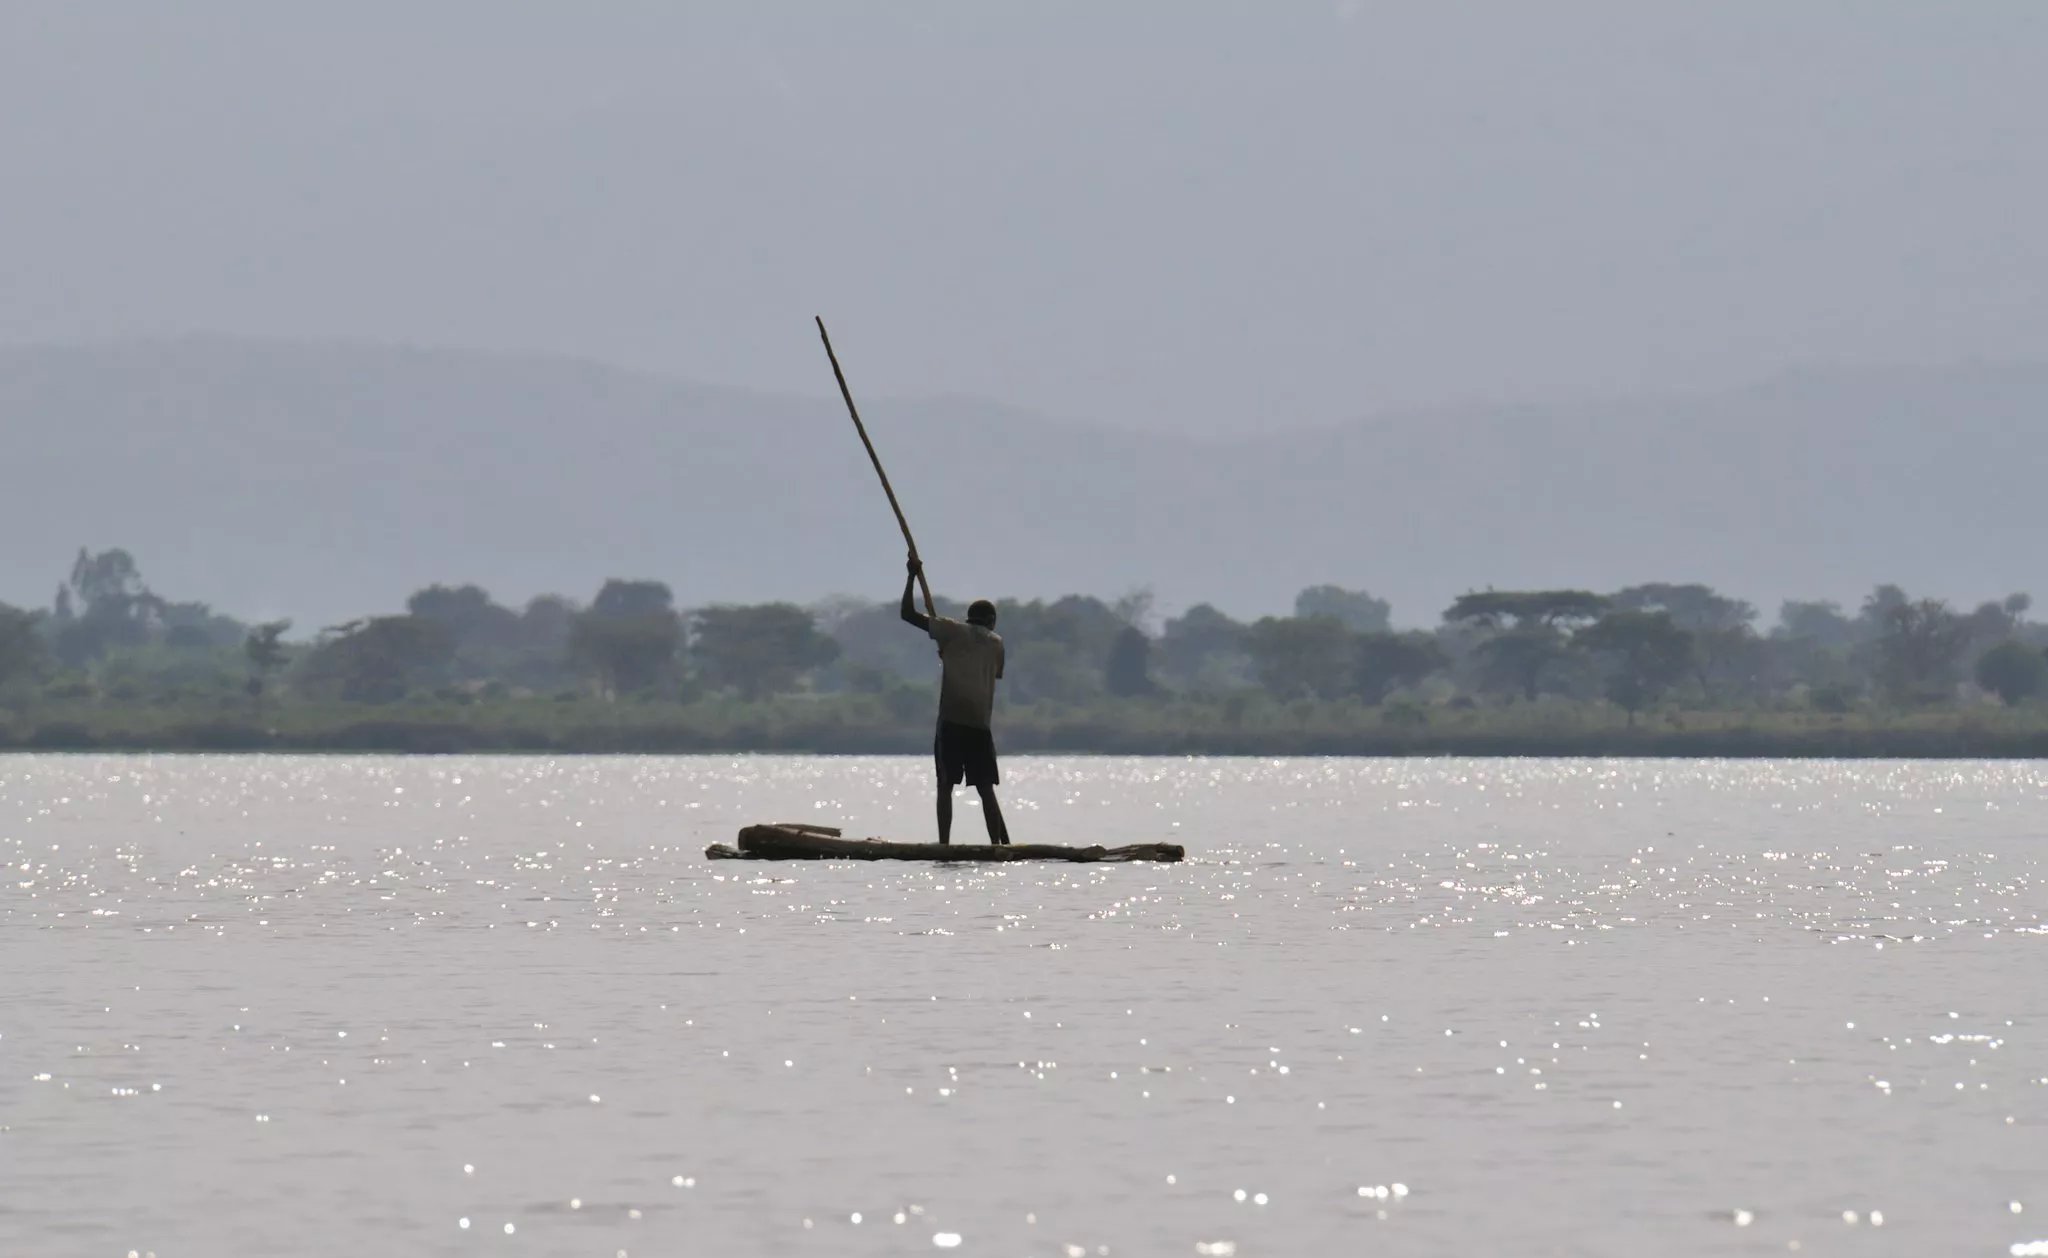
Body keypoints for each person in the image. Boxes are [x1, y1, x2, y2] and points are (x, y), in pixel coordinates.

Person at [899, 555, 1010, 845]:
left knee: (945, 785)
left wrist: (911, 576)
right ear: (992, 622)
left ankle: (944, 845)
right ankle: (997, 845)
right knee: (986, 788)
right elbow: (989, 673)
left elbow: (907, 614)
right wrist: (949, 651)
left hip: (951, 722)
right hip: (979, 725)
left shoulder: (951, 631)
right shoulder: (996, 643)